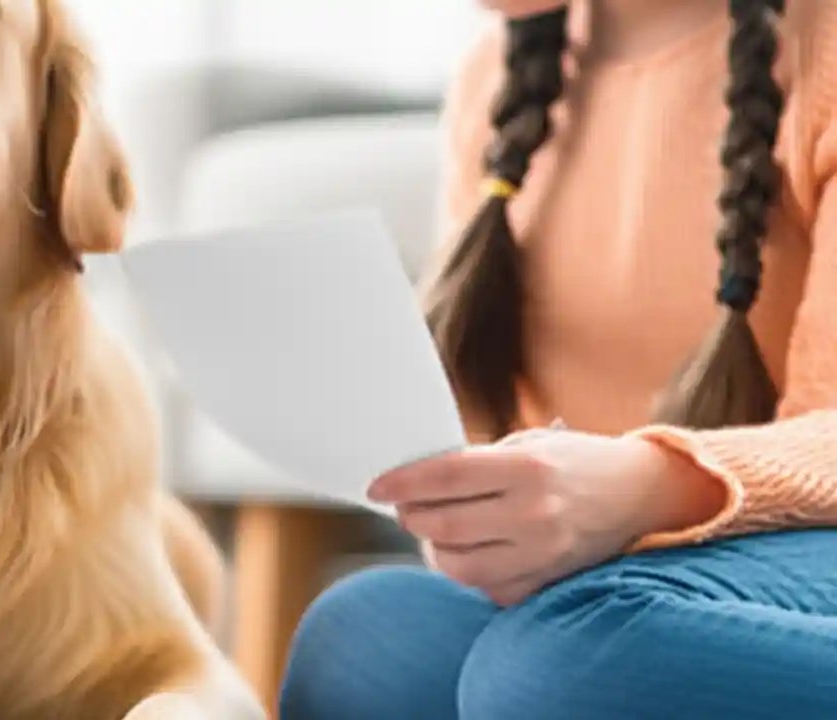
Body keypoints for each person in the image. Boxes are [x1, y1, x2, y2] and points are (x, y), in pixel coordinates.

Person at [279, 0, 837, 718]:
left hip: (795, 557)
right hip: (624, 588)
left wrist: (647, 486)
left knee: (559, 664)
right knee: (364, 636)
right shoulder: (496, 78)